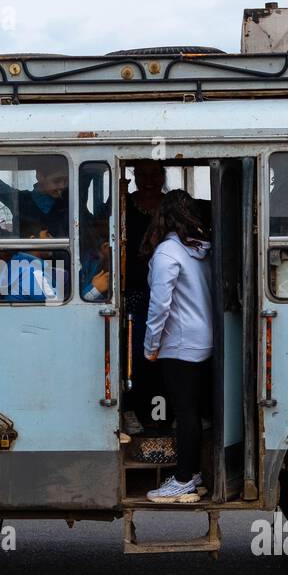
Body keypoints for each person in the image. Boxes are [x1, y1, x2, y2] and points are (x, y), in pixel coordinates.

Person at [142, 190, 216, 503]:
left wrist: (150, 345)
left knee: (185, 412)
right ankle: (193, 472)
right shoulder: (200, 251)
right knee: (194, 411)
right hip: (203, 339)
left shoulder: (166, 253)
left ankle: (184, 478)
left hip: (180, 343)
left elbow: (159, 305)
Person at [123, 164, 165, 431]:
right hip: (134, 286)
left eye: (154, 175)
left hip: (166, 285)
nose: (148, 181)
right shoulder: (124, 202)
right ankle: (131, 409)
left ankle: (167, 412)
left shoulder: (171, 206)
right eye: (143, 176)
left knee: (166, 352)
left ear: (163, 177)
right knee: (135, 351)